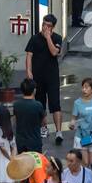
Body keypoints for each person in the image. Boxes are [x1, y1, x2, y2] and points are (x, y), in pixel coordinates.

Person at [24, 14, 64, 145]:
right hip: (37, 76)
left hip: (52, 76)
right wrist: (29, 71)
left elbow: (54, 52)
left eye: (48, 26)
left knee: (55, 103)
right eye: (44, 24)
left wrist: (48, 38)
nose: (45, 27)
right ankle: (43, 127)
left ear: (53, 27)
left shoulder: (57, 38)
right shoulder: (34, 39)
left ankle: (58, 131)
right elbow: (29, 55)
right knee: (40, 103)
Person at [13, 79, 46, 183]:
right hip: (35, 140)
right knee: (35, 166)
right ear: (34, 90)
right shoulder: (38, 105)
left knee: (25, 168)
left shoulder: (17, 105)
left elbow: (16, 120)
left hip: (21, 140)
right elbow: (43, 121)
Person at [71, 78, 92, 167]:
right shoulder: (77, 103)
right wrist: (72, 124)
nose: (84, 89)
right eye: (83, 87)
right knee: (85, 163)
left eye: (86, 87)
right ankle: (85, 180)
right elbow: (73, 118)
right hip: (81, 136)